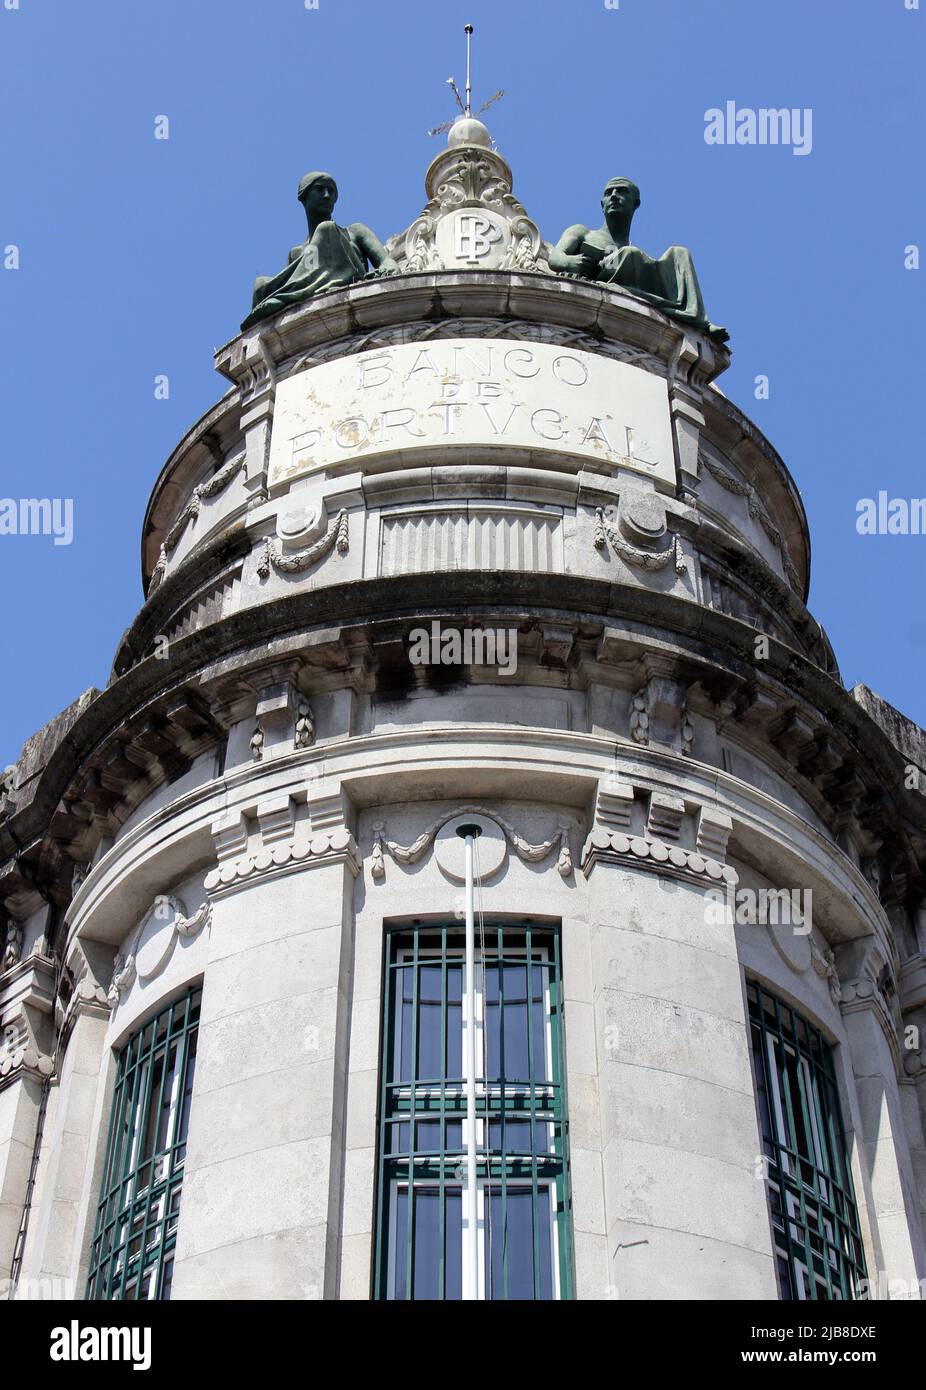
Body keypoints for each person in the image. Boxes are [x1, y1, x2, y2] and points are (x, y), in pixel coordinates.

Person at [549, 177, 728, 342]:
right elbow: (555, 258)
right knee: (630, 254)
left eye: (621, 191)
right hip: (603, 282)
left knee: (679, 253)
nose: (614, 196)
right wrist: (569, 263)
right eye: (608, 193)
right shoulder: (582, 232)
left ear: (636, 203)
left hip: (635, 283)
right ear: (602, 204)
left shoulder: (631, 251)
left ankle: (699, 321)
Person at [242, 171, 398, 330]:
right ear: (304, 197)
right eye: (319, 189)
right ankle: (286, 296)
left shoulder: (355, 231)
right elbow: (294, 278)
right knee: (260, 283)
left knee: (326, 229)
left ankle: (283, 297)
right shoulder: (296, 252)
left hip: (350, 282)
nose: (326, 195)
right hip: (307, 290)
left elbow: (386, 261)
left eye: (331, 191)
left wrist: (388, 268)